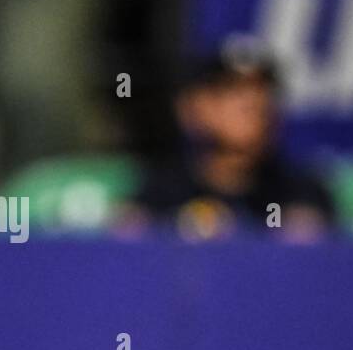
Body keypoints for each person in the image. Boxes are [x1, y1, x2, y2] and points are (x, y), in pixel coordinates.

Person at [132, 48, 333, 240]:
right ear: (191, 108)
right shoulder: (158, 196)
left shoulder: (300, 195)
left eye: (262, 90)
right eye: (230, 90)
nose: (252, 103)